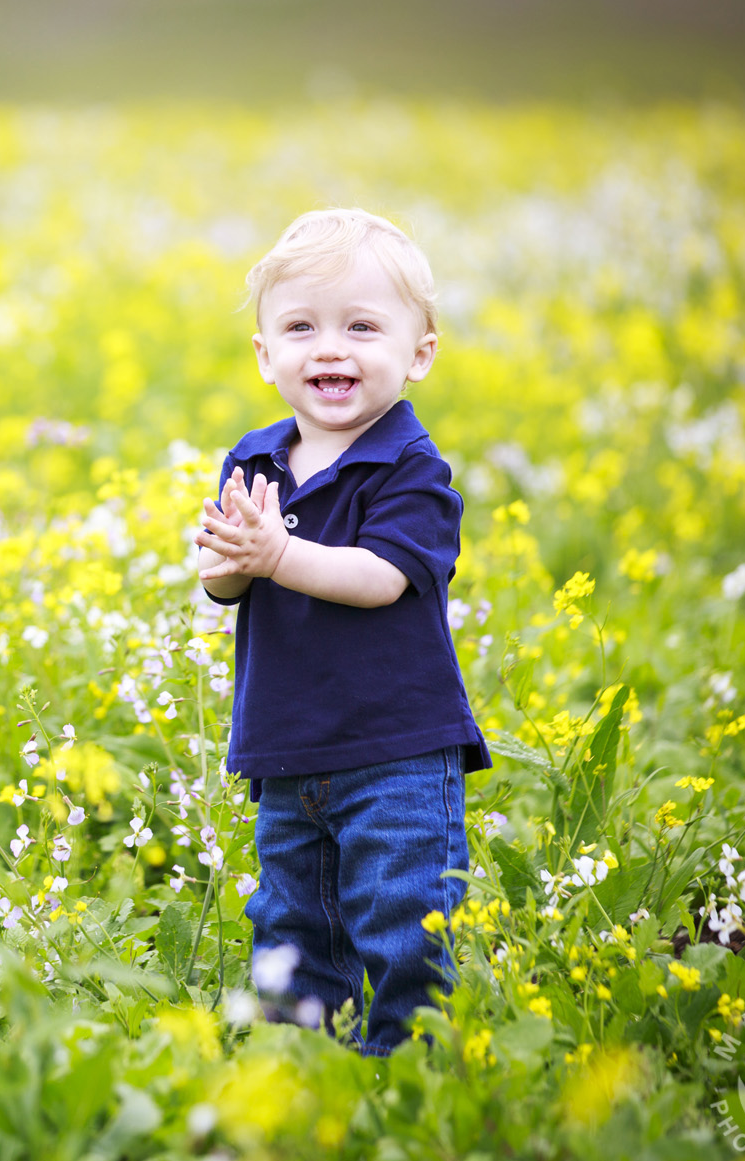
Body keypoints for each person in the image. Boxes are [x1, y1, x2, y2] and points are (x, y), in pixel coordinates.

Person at [194, 207, 491, 1058]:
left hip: (396, 749)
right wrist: (233, 558)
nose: (330, 349)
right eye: (301, 328)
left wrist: (278, 551)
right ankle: (299, 1065)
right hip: (287, 747)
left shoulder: (411, 467)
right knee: (292, 922)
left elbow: (380, 577)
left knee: (406, 920)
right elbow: (221, 582)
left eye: (362, 327)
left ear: (419, 352)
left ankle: (415, 1068)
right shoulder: (255, 459)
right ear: (265, 355)